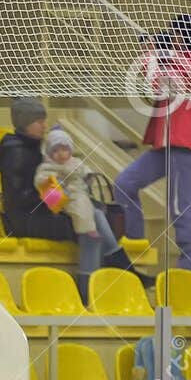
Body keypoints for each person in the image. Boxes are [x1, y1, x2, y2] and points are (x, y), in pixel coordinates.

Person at [112, 14, 191, 274]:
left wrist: (153, 54)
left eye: (174, 35)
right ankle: (135, 241)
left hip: (184, 145)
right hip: (165, 143)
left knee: (179, 208)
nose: (171, 39)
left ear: (185, 37)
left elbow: (159, 84)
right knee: (125, 183)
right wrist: (158, 53)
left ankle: (190, 270)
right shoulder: (180, 60)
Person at [0, 97, 146, 279]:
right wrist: (61, 201)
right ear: (24, 124)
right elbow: (23, 198)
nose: (44, 126)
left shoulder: (32, 147)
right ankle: (102, 279)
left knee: (94, 214)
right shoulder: (17, 153)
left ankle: (114, 272)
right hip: (24, 219)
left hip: (37, 211)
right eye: (39, 122)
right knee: (90, 226)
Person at [34, 126, 132, 299]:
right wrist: (61, 184)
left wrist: (88, 179)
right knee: (87, 213)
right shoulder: (47, 168)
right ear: (49, 153)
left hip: (82, 199)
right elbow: (49, 194)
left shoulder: (77, 164)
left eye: (64, 149)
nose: (61, 154)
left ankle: (97, 280)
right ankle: (115, 263)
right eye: (55, 150)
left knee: (96, 213)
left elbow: (86, 175)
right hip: (63, 203)